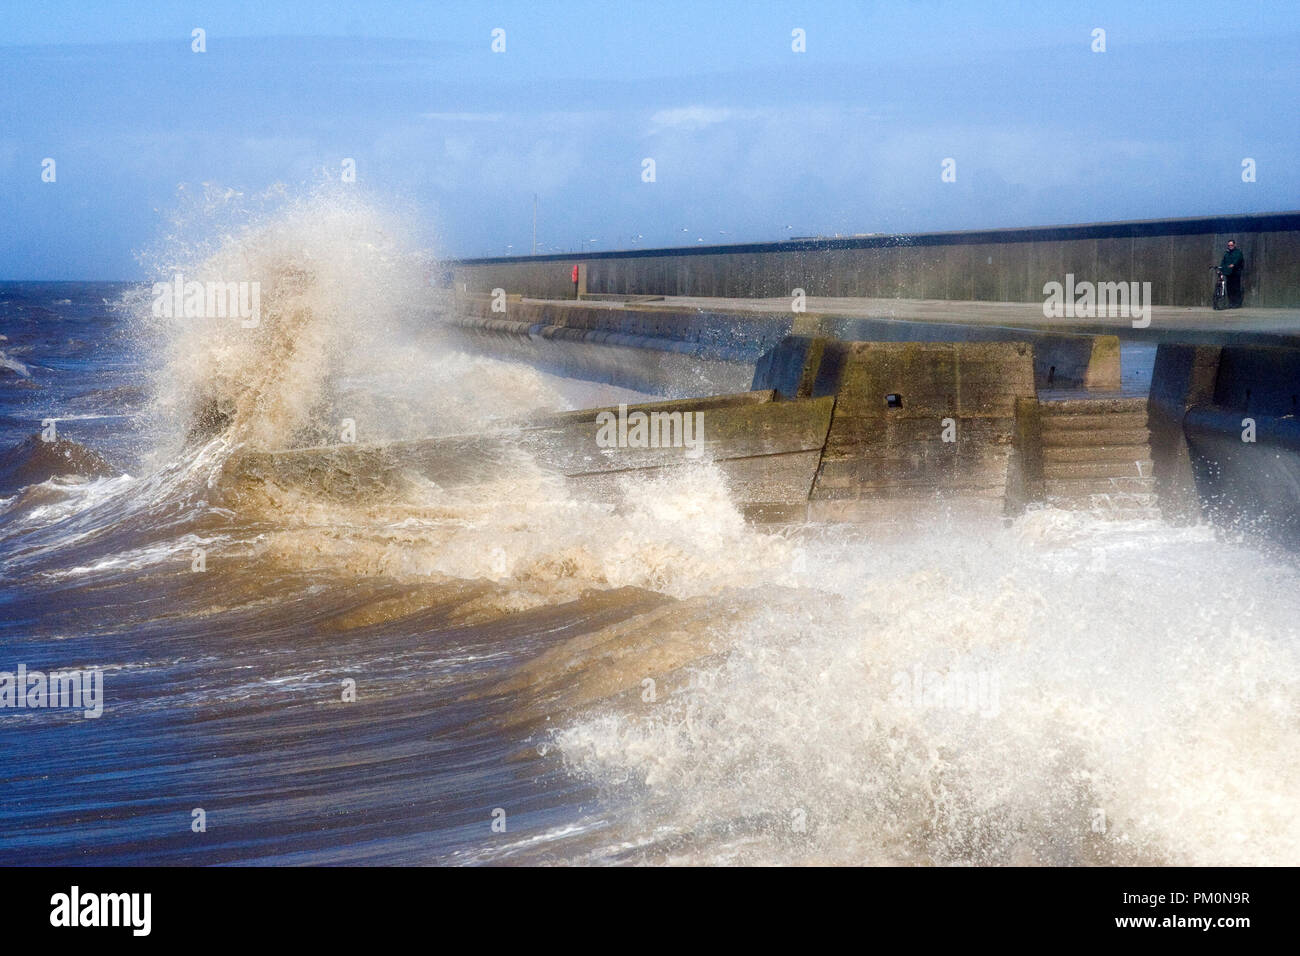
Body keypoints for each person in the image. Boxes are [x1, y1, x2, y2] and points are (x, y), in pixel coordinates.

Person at [1220, 240, 1245, 308]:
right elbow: (1223, 261)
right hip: (1228, 273)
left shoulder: (1238, 252)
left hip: (1236, 272)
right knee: (1229, 288)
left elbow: (1238, 260)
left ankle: (1237, 303)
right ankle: (1231, 303)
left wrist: (1233, 264)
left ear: (1234, 245)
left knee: (1236, 288)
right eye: (1229, 245)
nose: (1230, 247)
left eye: (1231, 245)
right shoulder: (1226, 253)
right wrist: (1221, 268)